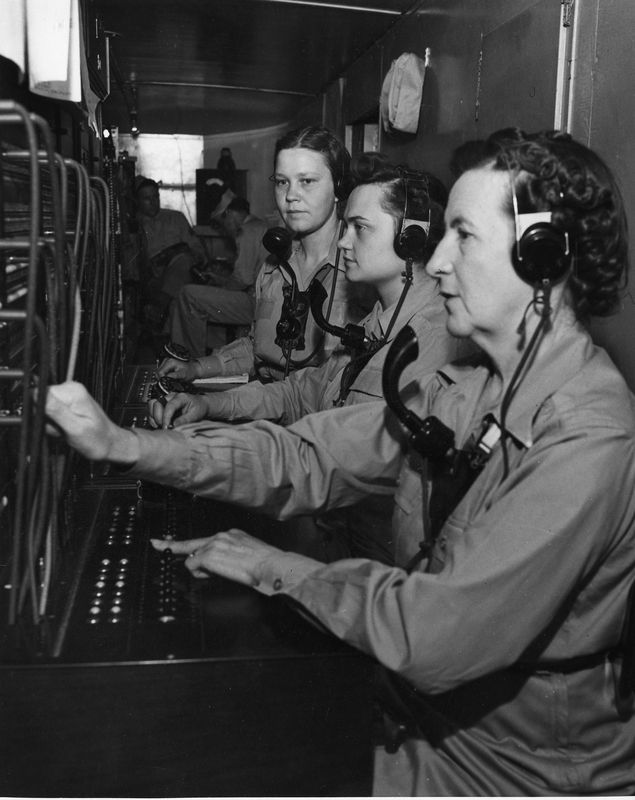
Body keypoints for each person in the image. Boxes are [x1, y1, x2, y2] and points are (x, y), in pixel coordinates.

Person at [47, 128, 635, 794]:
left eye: (462, 237)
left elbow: (431, 635)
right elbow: (310, 454)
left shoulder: (587, 439)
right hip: (417, 716)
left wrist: (276, 567)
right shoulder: (465, 390)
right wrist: (129, 447)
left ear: (541, 258)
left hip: (512, 771)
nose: (436, 261)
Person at [149, 152, 470, 564]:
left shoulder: (436, 339)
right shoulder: (376, 321)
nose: (343, 242)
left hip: (382, 559)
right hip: (340, 536)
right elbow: (303, 392)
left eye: (360, 228)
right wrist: (208, 403)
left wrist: (172, 453)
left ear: (410, 239)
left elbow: (328, 457)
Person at [155, 125, 374, 383]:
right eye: (282, 182)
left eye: (307, 181)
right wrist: (198, 368)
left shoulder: (364, 271)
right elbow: (257, 350)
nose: (291, 195)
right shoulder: (272, 269)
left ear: (339, 187)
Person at [168, 196, 268, 357]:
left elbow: (243, 278)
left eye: (223, 225)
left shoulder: (247, 230)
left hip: (256, 304)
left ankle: (188, 359)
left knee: (188, 294)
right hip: (261, 300)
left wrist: (222, 290)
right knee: (206, 297)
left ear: (229, 214)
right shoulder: (259, 226)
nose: (224, 231)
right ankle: (216, 354)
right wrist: (219, 281)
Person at [136, 178, 206, 330]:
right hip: (155, 278)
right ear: (138, 201)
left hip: (183, 272)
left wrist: (196, 255)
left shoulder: (176, 217)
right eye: (147, 198)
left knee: (183, 261)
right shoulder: (135, 225)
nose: (153, 202)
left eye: (155, 197)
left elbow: (197, 248)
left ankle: (160, 306)